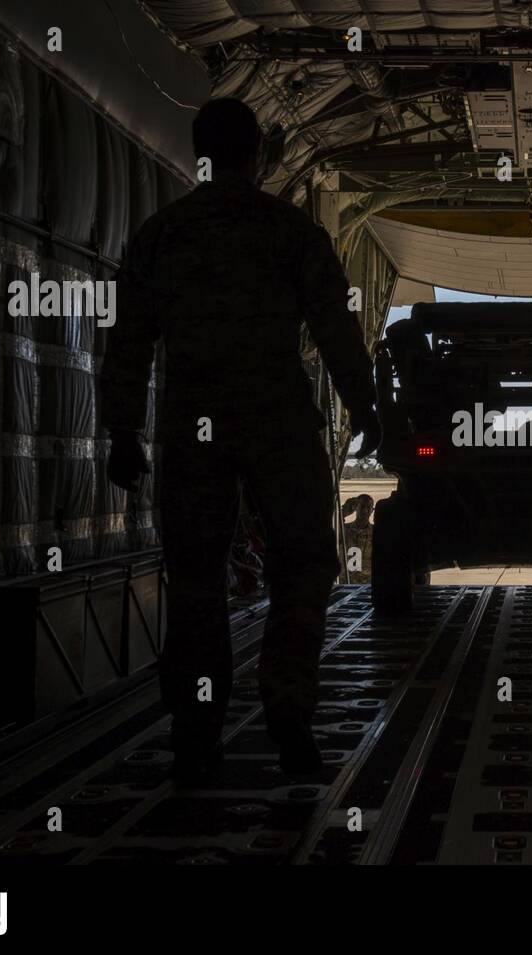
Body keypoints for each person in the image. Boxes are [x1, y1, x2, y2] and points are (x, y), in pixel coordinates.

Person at [99, 98, 381, 785]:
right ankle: (288, 706)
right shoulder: (289, 232)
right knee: (303, 562)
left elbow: (129, 341)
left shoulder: (161, 235)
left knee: (195, 579)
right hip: (276, 418)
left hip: (191, 423)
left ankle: (197, 733)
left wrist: (123, 432)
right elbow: (337, 328)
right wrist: (366, 405)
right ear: (256, 156)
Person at [341, 494, 374, 583]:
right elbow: (329, 528)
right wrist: (342, 514)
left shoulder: (377, 532)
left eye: (368, 507)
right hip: (346, 582)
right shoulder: (344, 529)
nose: (365, 511)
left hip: (368, 582)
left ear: (372, 510)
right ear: (356, 508)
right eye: (362, 507)